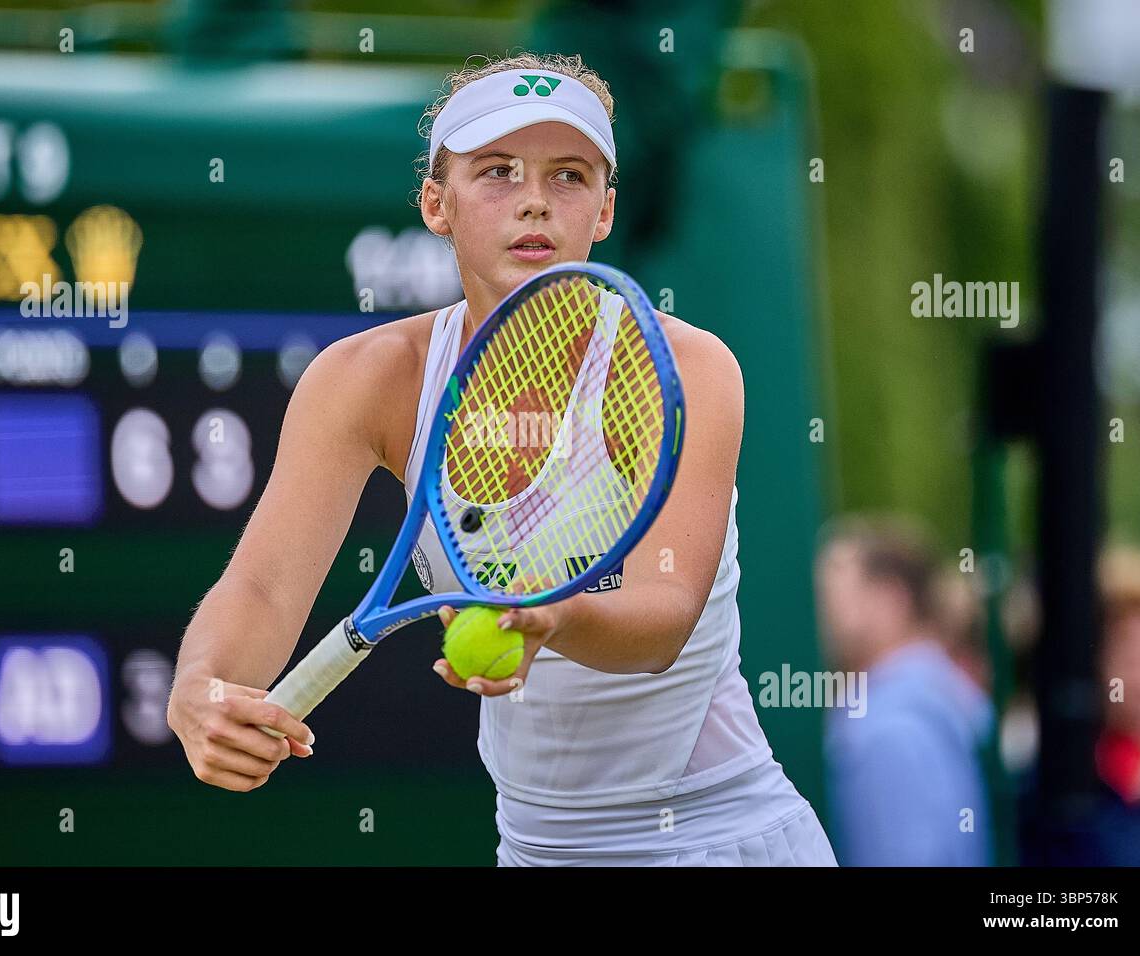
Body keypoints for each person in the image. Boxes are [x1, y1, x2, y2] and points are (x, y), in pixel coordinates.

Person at [167, 51, 835, 867]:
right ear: (435, 203)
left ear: (604, 210)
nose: (533, 201)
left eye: (568, 176)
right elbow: (264, 586)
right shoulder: (366, 380)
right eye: (497, 172)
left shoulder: (685, 370)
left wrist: (551, 617)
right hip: (532, 848)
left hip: (716, 839)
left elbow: (664, 614)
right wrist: (204, 689)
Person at [816, 516, 995, 865]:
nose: (822, 609)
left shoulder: (886, 728)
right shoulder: (939, 699)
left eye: (835, 589)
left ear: (890, 597)